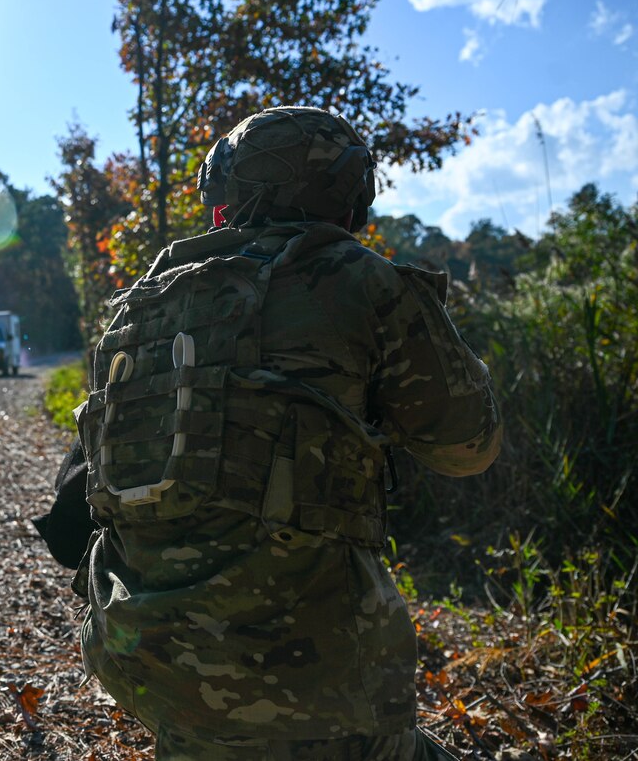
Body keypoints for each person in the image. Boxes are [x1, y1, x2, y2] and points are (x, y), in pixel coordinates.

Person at [69, 106, 502, 760]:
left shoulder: (139, 304)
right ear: (348, 193)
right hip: (318, 691)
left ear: (229, 194)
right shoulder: (360, 281)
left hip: (156, 672)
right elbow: (470, 445)